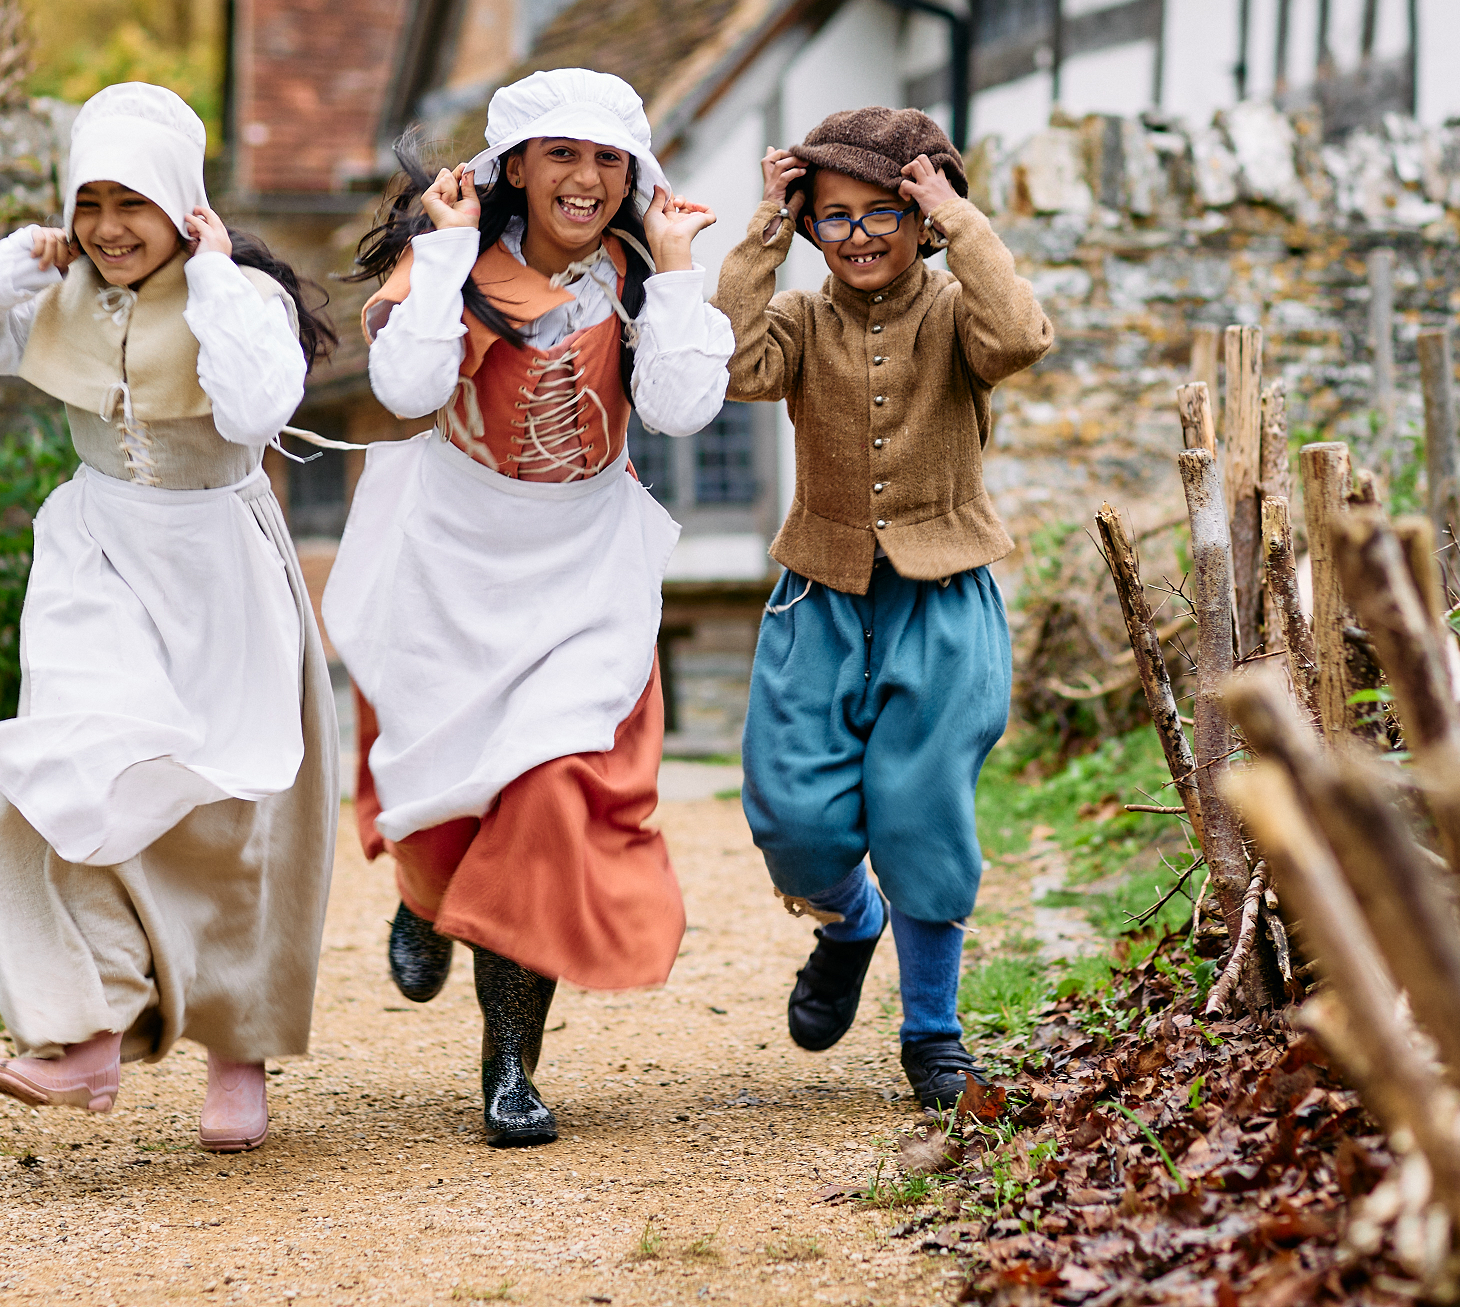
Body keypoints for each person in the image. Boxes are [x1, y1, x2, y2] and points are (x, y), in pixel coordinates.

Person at [0, 80, 337, 1155]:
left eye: (130, 202)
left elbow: (255, 409)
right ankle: (85, 1027)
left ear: (181, 203)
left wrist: (222, 276)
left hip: (219, 566)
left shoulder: (242, 302)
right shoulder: (58, 297)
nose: (106, 227)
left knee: (230, 826)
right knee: (64, 786)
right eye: (88, 202)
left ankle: (240, 1051)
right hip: (97, 558)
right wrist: (14, 264)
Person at [326, 67, 732, 1148]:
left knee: (549, 785)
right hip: (455, 549)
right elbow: (410, 393)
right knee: (452, 788)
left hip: (585, 556)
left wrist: (683, 271)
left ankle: (509, 1062)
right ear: (513, 165)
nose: (586, 179)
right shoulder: (456, 266)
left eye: (608, 159)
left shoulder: (639, 280)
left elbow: (686, 411)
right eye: (562, 153)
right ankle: (424, 895)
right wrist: (448, 246)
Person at [711, 106, 1054, 1110]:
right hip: (819, 596)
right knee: (792, 815)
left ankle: (933, 1031)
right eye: (833, 217)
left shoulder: (955, 309)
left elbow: (1021, 335)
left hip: (942, 602)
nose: (857, 236)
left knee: (922, 815)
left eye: (881, 214)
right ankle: (848, 923)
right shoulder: (803, 322)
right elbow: (731, 366)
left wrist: (963, 222)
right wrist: (763, 235)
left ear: (918, 216)